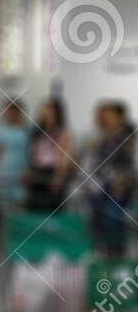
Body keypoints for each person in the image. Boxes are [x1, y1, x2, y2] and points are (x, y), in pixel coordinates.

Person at [81, 100, 137, 257]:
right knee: (97, 220)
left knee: (114, 220)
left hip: (120, 188)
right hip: (100, 187)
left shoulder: (127, 138)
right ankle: (102, 255)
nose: (106, 119)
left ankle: (117, 256)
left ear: (120, 118)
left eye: (110, 116)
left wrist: (123, 182)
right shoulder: (102, 137)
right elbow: (96, 163)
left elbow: (129, 165)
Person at [26, 97, 73, 210]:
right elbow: (33, 154)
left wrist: (59, 176)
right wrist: (30, 171)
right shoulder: (37, 132)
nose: (47, 114)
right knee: (35, 206)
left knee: (53, 207)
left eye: (50, 112)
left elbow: (64, 156)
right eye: (45, 111)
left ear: (57, 114)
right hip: (38, 171)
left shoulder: (63, 132)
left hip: (54, 172)